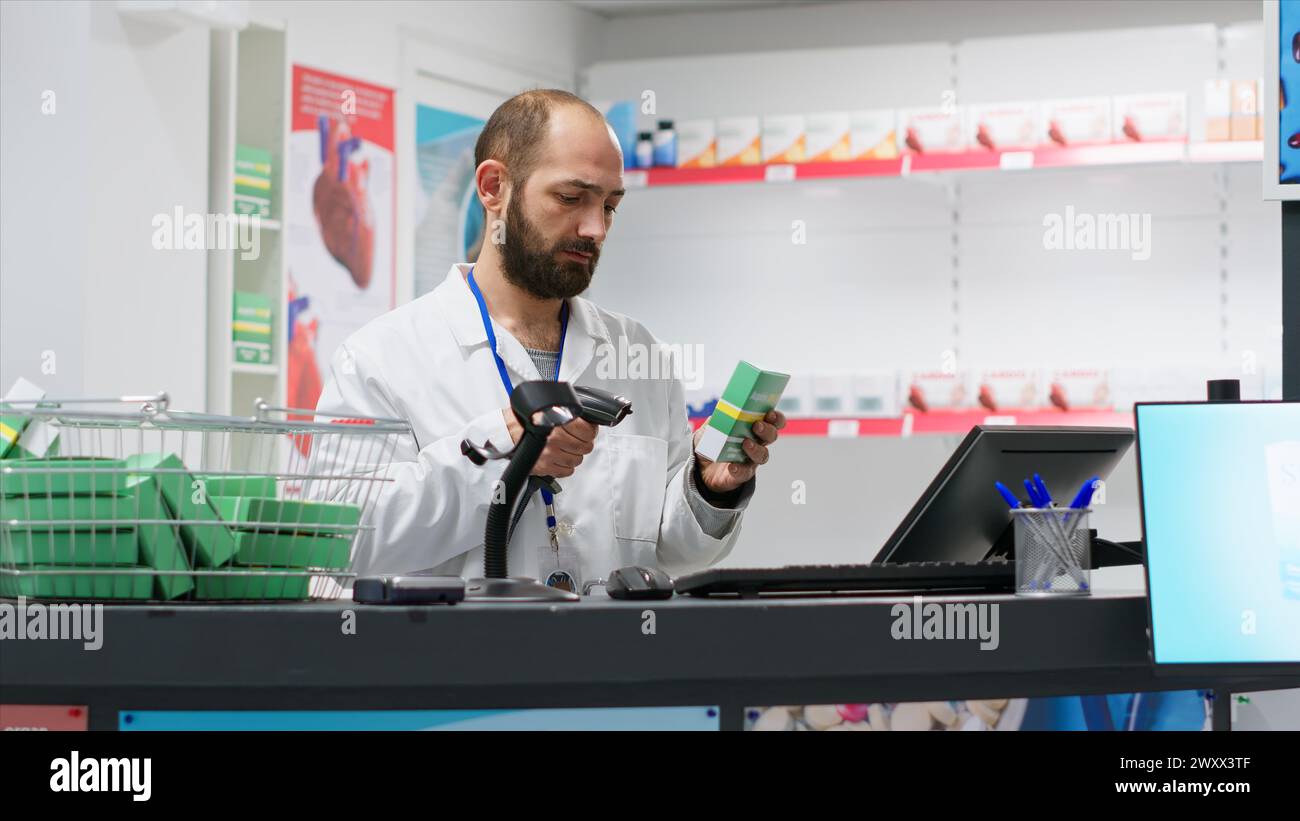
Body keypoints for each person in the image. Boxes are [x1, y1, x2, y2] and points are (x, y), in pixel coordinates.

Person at [314, 89, 784, 587]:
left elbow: (666, 551)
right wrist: (499, 459)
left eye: (610, 205)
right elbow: (344, 542)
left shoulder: (638, 353)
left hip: (608, 657)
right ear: (494, 187)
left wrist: (708, 491)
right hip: (463, 660)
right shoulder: (379, 359)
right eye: (570, 198)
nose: (595, 227)